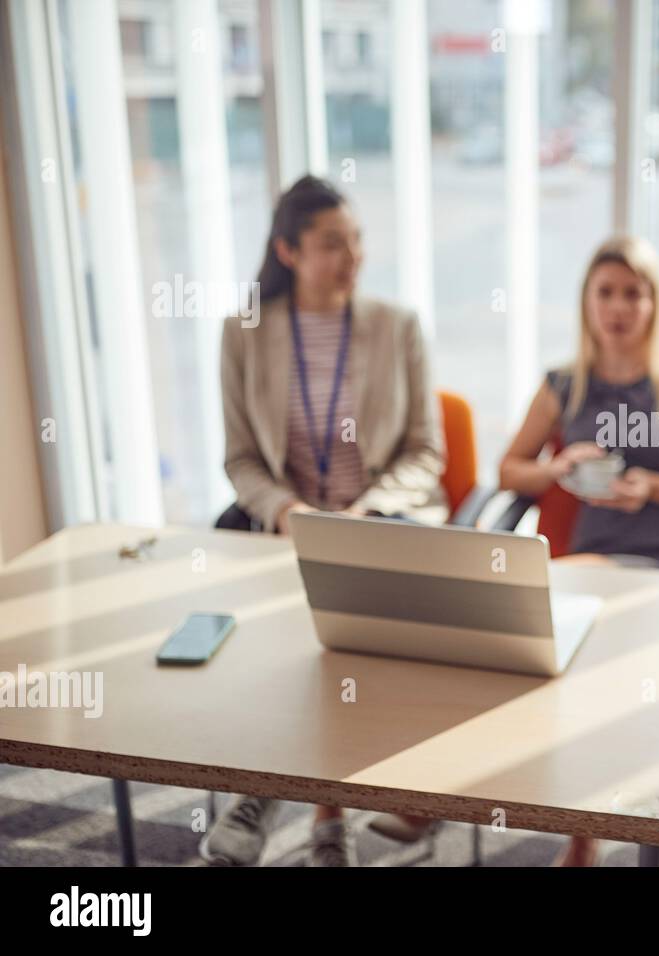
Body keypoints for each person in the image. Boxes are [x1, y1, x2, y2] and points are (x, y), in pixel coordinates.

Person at [203, 175, 448, 867]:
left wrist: (367, 511)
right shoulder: (242, 332)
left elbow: (427, 451)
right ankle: (277, 785)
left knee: (345, 638)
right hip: (285, 524)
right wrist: (288, 511)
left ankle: (308, 801)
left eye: (358, 240)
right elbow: (241, 458)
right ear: (287, 250)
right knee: (281, 642)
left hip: (380, 521)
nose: (353, 257)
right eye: (332, 244)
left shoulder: (397, 327)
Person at [499, 235, 659, 864]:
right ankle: (584, 826)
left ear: (653, 304)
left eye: (633, 293)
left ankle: (593, 833)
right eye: (606, 292)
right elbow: (509, 471)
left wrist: (650, 488)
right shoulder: (564, 385)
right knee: (569, 614)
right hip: (595, 566)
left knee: (564, 596)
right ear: (586, 302)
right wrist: (559, 466)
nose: (618, 307)